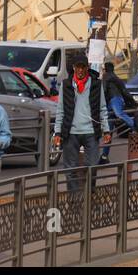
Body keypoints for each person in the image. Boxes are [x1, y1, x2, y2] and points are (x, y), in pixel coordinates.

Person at [53, 51, 110, 188]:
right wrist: (58, 132)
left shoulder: (96, 84)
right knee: (70, 169)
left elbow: (102, 108)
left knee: (92, 167)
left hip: (91, 132)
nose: (80, 70)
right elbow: (60, 110)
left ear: (87, 68)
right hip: (71, 132)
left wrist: (106, 130)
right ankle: (75, 200)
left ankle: (89, 197)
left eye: (83, 67)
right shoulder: (66, 85)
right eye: (77, 67)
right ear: (73, 67)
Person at [101, 61, 138, 135]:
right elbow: (125, 92)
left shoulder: (105, 76)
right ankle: (107, 140)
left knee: (118, 114)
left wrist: (102, 102)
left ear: (105, 69)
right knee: (111, 118)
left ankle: (136, 126)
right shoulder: (117, 78)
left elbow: (104, 90)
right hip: (118, 99)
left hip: (113, 100)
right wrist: (133, 102)